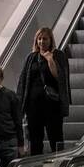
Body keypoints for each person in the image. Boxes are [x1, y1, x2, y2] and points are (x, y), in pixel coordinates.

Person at [17, 26, 70, 155]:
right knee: (35, 141)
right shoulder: (31, 58)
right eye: (39, 39)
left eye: (45, 39)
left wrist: (50, 59)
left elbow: (60, 77)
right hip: (33, 107)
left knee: (56, 138)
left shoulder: (59, 55)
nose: (41, 42)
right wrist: (19, 106)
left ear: (51, 40)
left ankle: (59, 166)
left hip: (53, 106)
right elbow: (23, 81)